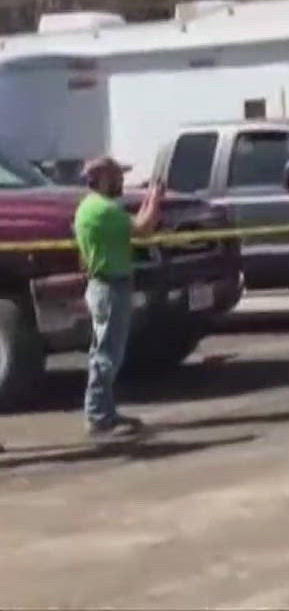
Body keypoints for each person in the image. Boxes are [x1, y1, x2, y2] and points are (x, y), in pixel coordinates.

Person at [73, 156, 165, 440]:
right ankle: (99, 416)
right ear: (102, 178)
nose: (121, 182)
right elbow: (144, 229)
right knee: (107, 355)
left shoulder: (88, 208)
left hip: (103, 285)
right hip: (109, 288)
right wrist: (154, 197)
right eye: (117, 176)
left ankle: (106, 412)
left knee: (106, 352)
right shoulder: (103, 210)